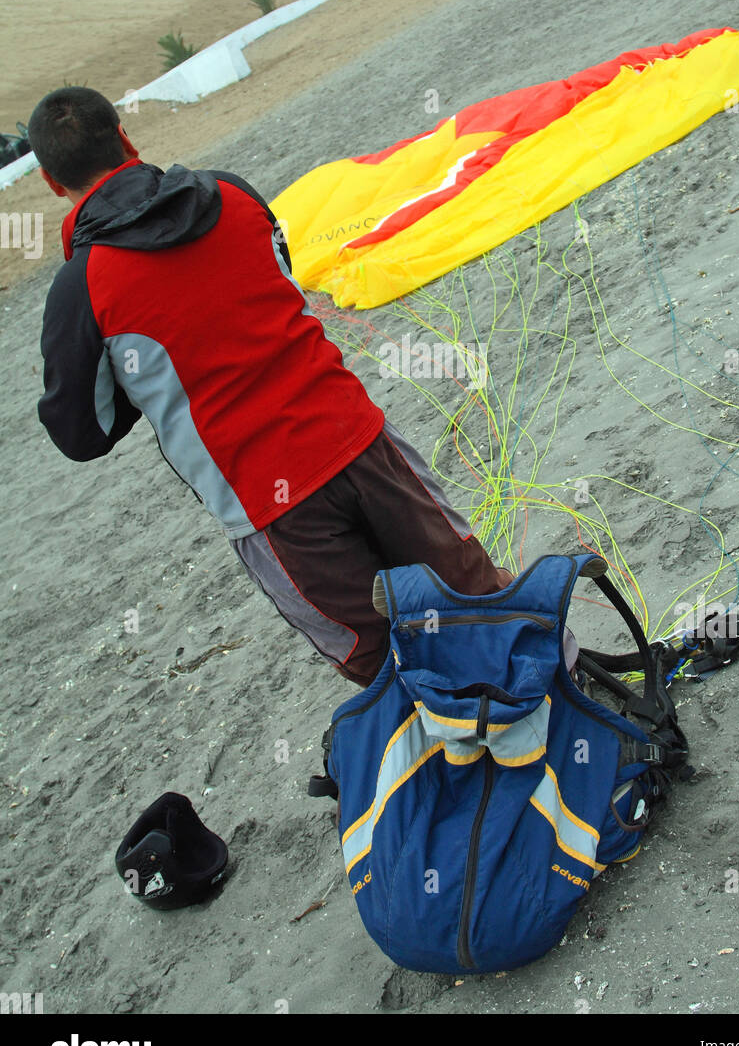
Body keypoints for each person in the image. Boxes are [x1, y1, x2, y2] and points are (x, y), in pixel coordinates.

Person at [32, 87, 513, 687]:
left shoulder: (82, 287)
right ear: (126, 139)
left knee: (380, 658)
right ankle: (557, 704)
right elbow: (281, 276)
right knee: (471, 587)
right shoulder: (230, 192)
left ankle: (470, 752)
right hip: (360, 440)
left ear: (53, 184)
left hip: (268, 500)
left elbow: (83, 433)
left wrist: (146, 375)